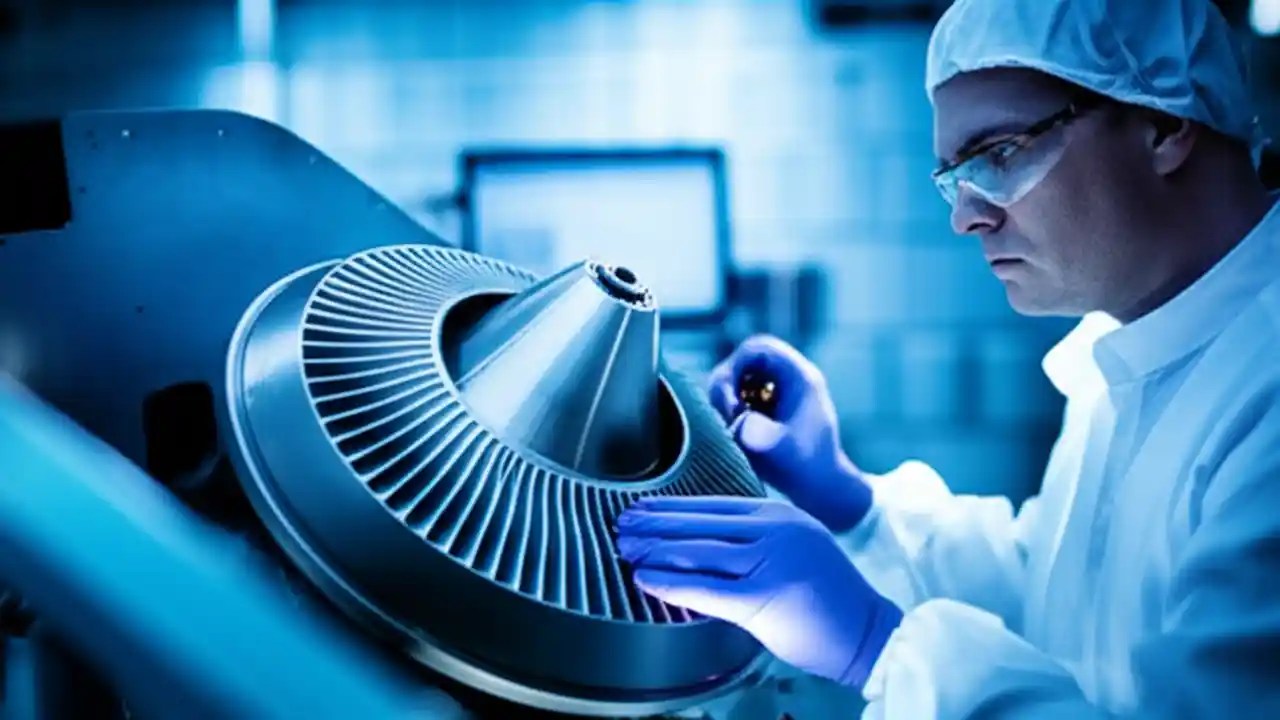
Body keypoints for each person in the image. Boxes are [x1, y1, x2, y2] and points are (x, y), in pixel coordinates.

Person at [614, 0, 1280, 716]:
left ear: (1164, 124)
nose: (966, 217)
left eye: (1000, 153)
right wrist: (848, 498)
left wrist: (873, 643)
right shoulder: (1133, 352)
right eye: (954, 176)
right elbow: (1049, 594)